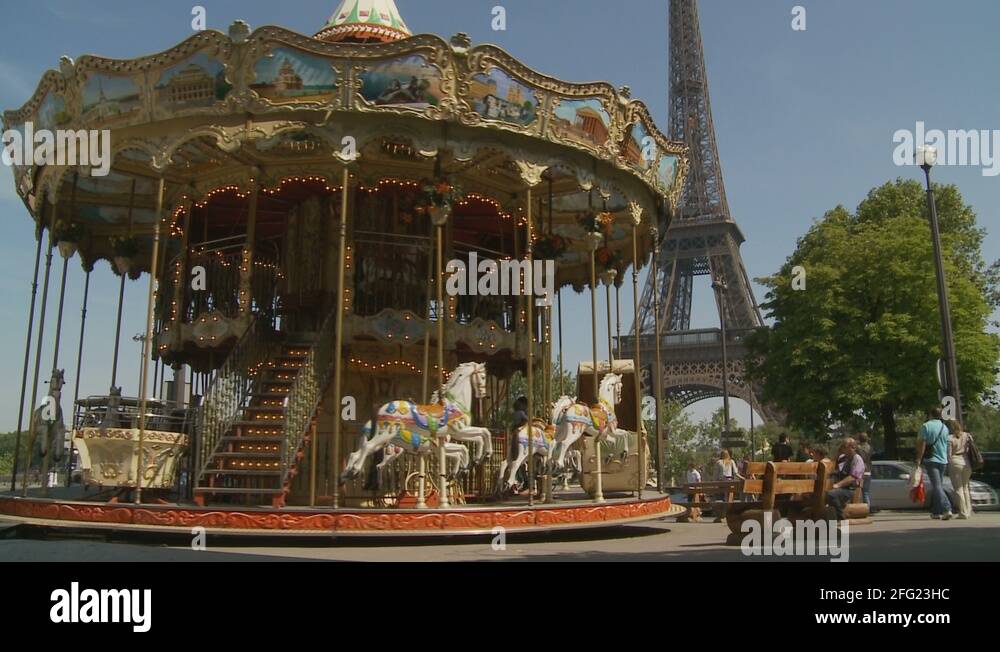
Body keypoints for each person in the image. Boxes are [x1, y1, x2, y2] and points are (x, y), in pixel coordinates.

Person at [914, 406, 953, 520]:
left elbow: (922, 444)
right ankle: (936, 511)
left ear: (930, 414)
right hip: (943, 460)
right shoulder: (944, 427)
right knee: (938, 486)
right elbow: (946, 444)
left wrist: (918, 459)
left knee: (937, 486)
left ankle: (947, 508)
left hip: (931, 459)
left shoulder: (926, 426)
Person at [825, 438, 865, 520]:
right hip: (842, 488)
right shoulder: (843, 458)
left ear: (853, 447)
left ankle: (841, 516)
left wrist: (838, 485)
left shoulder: (857, 459)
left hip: (850, 489)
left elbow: (853, 477)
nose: (843, 448)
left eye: (845, 446)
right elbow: (836, 468)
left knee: (831, 494)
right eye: (842, 446)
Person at [946, 419, 972, 519]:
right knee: (965, 487)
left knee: (958, 488)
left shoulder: (950, 438)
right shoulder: (967, 435)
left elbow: (949, 454)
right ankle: (968, 510)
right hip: (966, 462)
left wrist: (949, 462)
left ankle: (963, 512)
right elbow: (970, 449)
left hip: (955, 461)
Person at [856, 432, 874, 513]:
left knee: (858, 492)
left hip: (860, 471)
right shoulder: (870, 447)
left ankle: (859, 510)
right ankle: (867, 509)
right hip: (868, 470)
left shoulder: (858, 448)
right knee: (866, 492)